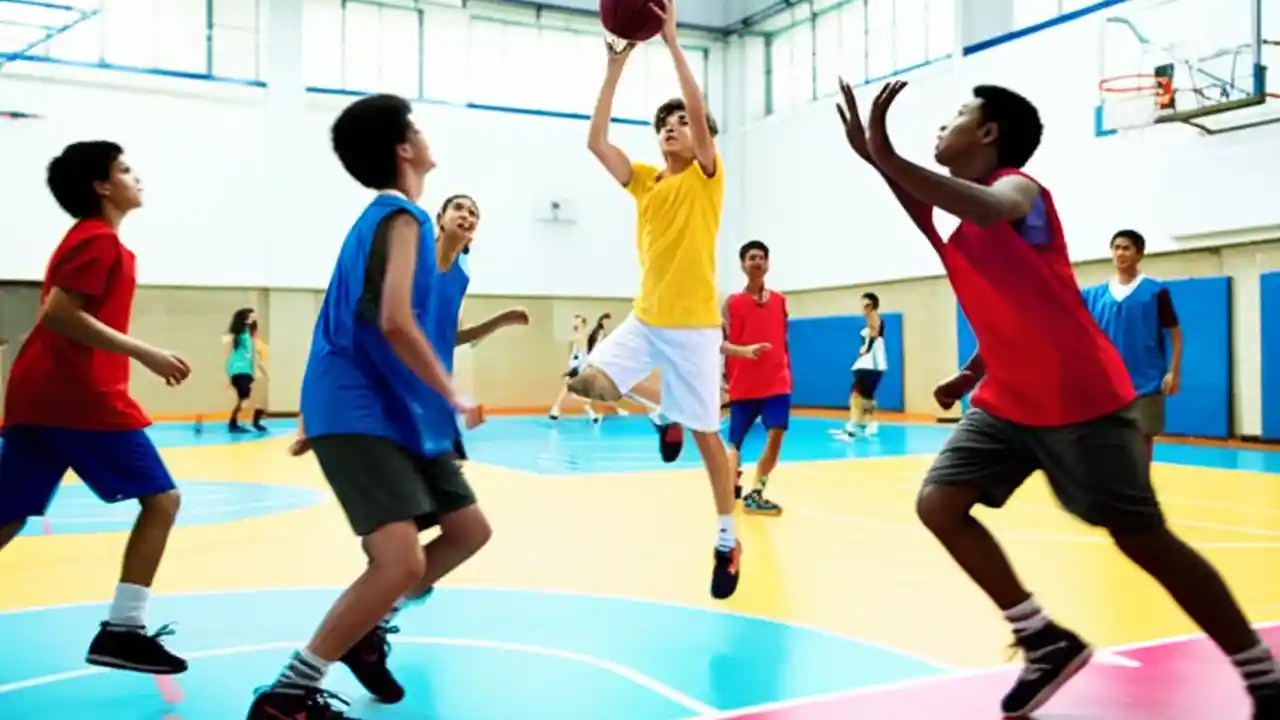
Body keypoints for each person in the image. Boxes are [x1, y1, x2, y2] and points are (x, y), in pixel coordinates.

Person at [834, 77, 1280, 718]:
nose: (942, 125)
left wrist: (888, 156)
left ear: (988, 133)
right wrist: (970, 372)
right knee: (940, 503)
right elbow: (1009, 299)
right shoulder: (954, 220)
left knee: (1142, 539)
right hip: (1007, 400)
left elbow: (993, 208)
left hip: (1078, 399)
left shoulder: (1021, 192)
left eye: (957, 115)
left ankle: (1262, 674)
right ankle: (1044, 640)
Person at [245, 94, 484, 720]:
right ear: (404, 148)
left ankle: (365, 629)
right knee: (400, 560)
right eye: (417, 128)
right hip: (359, 409)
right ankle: (288, 695)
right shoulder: (401, 218)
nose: (425, 136)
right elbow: (395, 322)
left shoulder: (383, 221)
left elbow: (345, 319)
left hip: (390, 410)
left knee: (468, 531)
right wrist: (452, 392)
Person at [0, 141, 191, 675]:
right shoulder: (98, 241)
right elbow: (59, 313)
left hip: (38, 396)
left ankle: (124, 631)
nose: (137, 177)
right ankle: (123, 630)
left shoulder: (89, 239)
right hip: (77, 397)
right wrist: (145, 352)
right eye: (125, 169)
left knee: (8, 512)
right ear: (102, 186)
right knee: (162, 500)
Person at [575, 0, 741, 600]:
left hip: (693, 328)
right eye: (665, 123)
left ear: (701, 137)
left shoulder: (706, 175)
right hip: (646, 320)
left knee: (708, 439)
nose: (672, 127)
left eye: (682, 122)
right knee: (586, 382)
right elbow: (596, 142)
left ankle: (726, 539)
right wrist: (616, 65)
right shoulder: (647, 180)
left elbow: (697, 112)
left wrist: (672, 42)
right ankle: (665, 410)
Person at [1081, 229, 1181, 461]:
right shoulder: (1094, 295)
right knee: (1106, 440)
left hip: (1146, 381)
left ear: (1139, 254)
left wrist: (1173, 372)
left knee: (1141, 440)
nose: (1120, 253)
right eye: (1116, 248)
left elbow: (1175, 334)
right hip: (1107, 382)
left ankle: (1140, 482)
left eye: (1126, 248)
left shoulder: (1156, 291)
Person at [721, 239, 788, 516]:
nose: (757, 262)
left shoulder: (781, 301)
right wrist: (741, 354)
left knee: (776, 433)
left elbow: (783, 339)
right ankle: (730, 484)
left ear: (768, 263)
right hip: (744, 383)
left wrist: (786, 369)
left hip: (777, 382)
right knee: (734, 442)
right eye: (751, 258)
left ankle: (757, 491)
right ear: (742, 265)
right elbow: (718, 343)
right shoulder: (731, 303)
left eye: (761, 257)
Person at [838, 291, 886, 438]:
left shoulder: (874, 317)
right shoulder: (872, 320)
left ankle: (854, 424)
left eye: (866, 304)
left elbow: (874, 332)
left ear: (872, 305)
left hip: (870, 363)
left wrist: (866, 349)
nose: (863, 308)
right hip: (874, 364)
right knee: (867, 396)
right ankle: (868, 423)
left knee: (856, 395)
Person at [223, 307, 269, 433]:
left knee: (252, 398)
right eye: (251, 315)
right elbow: (230, 352)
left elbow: (254, 353)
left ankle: (251, 422)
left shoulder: (249, 335)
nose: (255, 317)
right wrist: (229, 373)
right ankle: (236, 423)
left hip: (248, 370)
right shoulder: (239, 335)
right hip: (239, 371)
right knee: (245, 398)